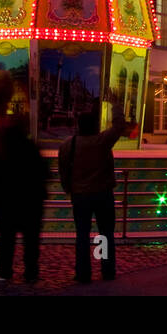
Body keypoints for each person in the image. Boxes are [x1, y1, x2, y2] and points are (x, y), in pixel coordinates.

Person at [58, 101, 127, 283]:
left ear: (79, 125)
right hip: (102, 194)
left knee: (82, 234)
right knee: (104, 233)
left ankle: (83, 273)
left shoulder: (67, 145)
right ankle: (106, 269)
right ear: (95, 126)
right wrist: (116, 105)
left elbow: (63, 171)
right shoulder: (102, 141)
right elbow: (119, 126)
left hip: (80, 195)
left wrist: (68, 189)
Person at [0, 117, 47, 284]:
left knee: (6, 240)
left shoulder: (0, 148)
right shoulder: (31, 148)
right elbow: (44, 172)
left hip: (5, 202)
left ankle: (4, 272)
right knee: (31, 241)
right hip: (30, 202)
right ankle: (31, 271)